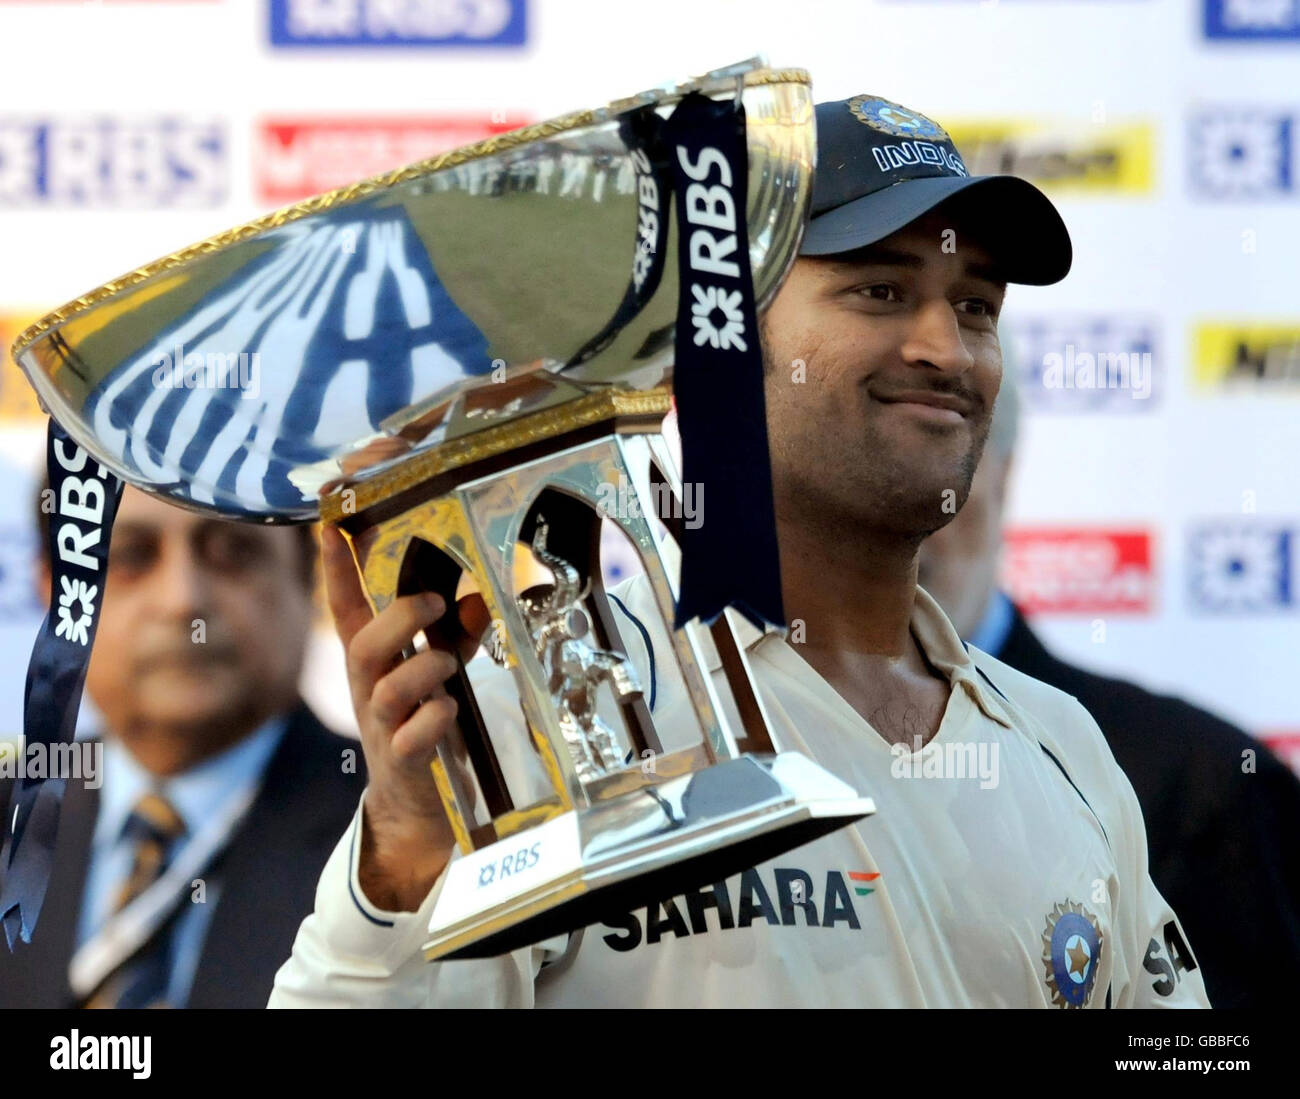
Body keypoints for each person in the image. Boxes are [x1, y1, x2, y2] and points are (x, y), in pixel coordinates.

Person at [270, 95, 1209, 1008]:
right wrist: (403, 860)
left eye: (975, 307)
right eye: (880, 290)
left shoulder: (1066, 748)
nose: (946, 350)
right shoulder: (558, 723)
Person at [918, 364, 1300, 1009]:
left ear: (1006, 473)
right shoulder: (720, 763)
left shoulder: (1203, 786)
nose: (900, 515)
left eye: (934, 459)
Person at [0, 484, 365, 1008]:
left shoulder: (402, 836)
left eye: (234, 551)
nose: (183, 601)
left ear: (309, 572)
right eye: (131, 555)